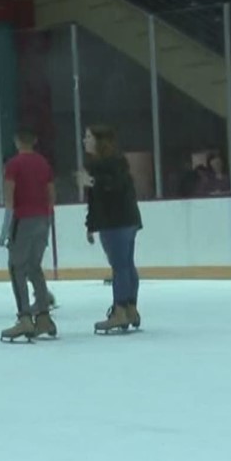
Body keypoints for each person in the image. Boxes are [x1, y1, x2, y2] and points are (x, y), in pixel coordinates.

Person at [81, 125, 143, 333]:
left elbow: (111, 188)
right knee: (126, 264)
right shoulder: (114, 162)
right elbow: (96, 197)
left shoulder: (105, 164)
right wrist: (90, 224)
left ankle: (120, 310)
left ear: (99, 140)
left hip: (116, 222)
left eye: (88, 137)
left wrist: (92, 181)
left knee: (120, 266)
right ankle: (130, 308)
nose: (84, 140)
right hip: (125, 219)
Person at [0, 129, 56, 342]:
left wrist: (6, 229)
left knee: (17, 268)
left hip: (22, 220)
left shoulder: (14, 164)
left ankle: (24, 317)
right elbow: (51, 194)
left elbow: (9, 197)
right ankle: (43, 316)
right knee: (34, 267)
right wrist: (48, 219)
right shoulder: (43, 163)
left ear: (17, 141)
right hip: (42, 219)